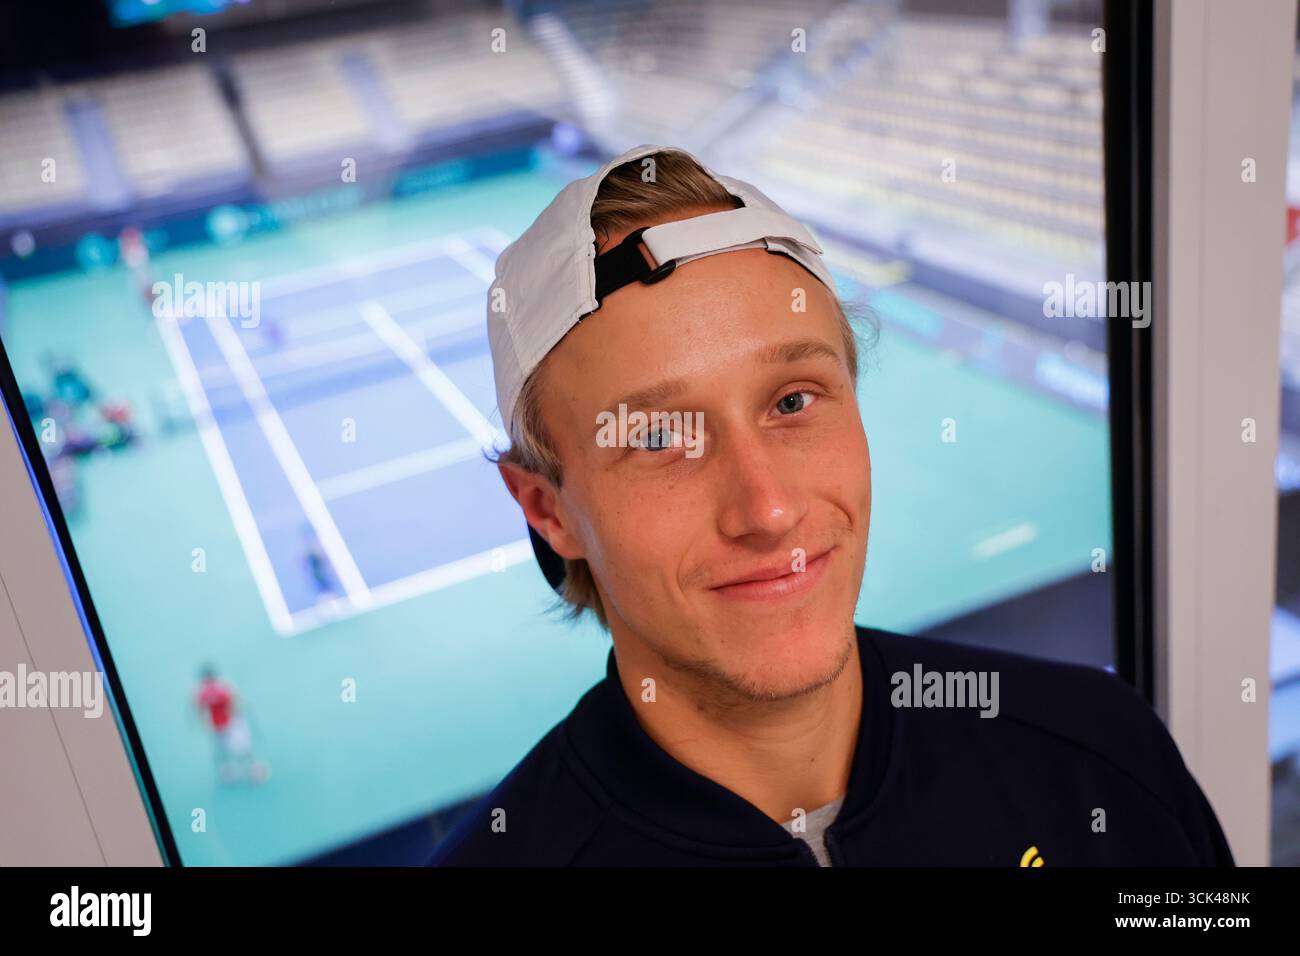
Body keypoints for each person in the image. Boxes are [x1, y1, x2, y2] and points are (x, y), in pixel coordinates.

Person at [426, 144, 1234, 867]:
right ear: (547, 508)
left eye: (791, 402)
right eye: (662, 436)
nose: (768, 509)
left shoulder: (1101, 752)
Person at [195, 665, 270, 785]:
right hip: (218, 725)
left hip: (231, 723)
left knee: (242, 747)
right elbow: (199, 707)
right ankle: (228, 770)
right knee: (223, 749)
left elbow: (236, 702)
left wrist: (234, 720)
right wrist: (205, 722)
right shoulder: (202, 692)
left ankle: (252, 768)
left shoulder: (224, 687)